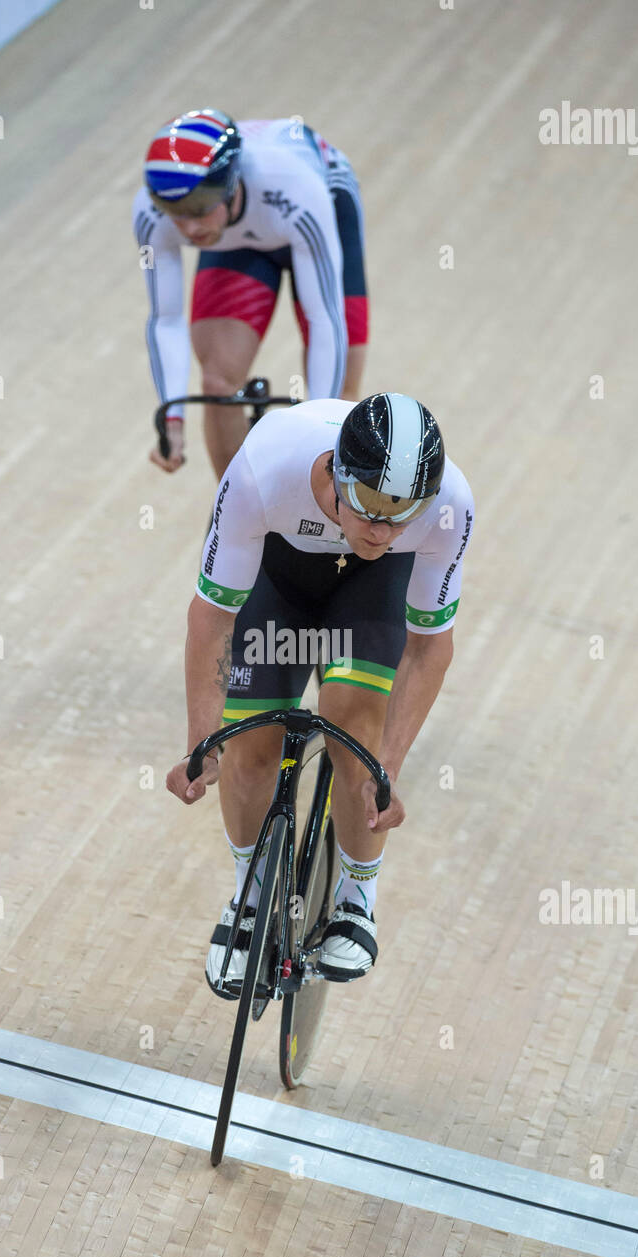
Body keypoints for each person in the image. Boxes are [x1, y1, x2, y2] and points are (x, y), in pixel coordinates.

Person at [165, 392, 474, 996]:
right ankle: (249, 902)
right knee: (249, 747)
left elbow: (430, 646)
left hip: (370, 593)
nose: (382, 528)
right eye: (367, 508)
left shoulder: (449, 505)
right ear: (335, 471)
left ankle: (357, 896)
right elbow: (211, 619)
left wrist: (389, 766)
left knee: (356, 735)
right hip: (277, 578)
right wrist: (202, 739)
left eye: (401, 514)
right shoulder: (265, 468)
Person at [133, 109, 368, 480]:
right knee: (217, 383)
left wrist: (324, 434)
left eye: (199, 210)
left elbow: (325, 319)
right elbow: (166, 318)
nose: (190, 227)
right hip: (237, 234)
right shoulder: (154, 211)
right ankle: (239, 505)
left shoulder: (294, 187)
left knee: (340, 399)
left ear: (230, 185)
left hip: (312, 209)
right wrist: (172, 420)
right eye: (176, 213)